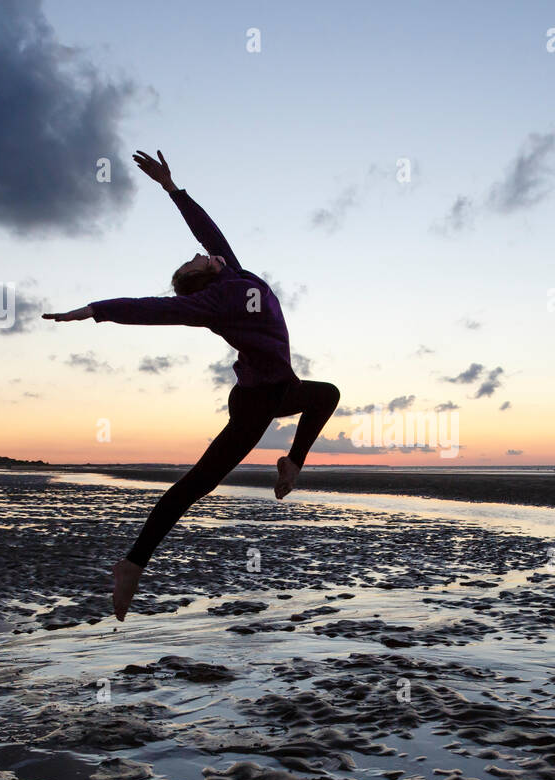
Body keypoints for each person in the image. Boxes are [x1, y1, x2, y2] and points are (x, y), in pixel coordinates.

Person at [43, 150, 340, 620]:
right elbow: (153, 309)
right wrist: (96, 309)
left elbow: (207, 230)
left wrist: (171, 187)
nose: (203, 253)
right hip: (256, 399)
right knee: (199, 482)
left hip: (282, 386)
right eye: (196, 260)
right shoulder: (212, 301)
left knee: (326, 395)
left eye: (200, 254)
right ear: (200, 278)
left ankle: (292, 464)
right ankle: (132, 564)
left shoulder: (235, 273)